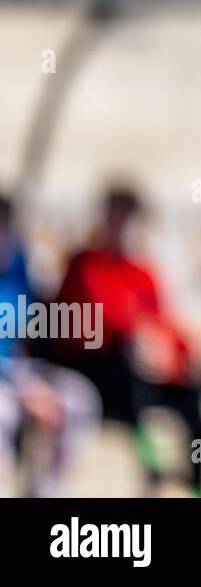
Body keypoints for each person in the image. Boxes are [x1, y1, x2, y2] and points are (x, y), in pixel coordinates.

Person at [49, 185, 201, 494]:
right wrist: (141, 337)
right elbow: (99, 317)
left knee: (195, 396)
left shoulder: (143, 271)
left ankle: (199, 482)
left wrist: (181, 351)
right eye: (115, 217)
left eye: (127, 219)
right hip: (96, 367)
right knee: (129, 358)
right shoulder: (85, 263)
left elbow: (165, 321)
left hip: (143, 370)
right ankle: (146, 448)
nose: (121, 227)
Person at [0, 194, 101, 497]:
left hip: (23, 373)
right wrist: (27, 387)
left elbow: (34, 334)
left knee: (78, 397)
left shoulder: (19, 269)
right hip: (8, 383)